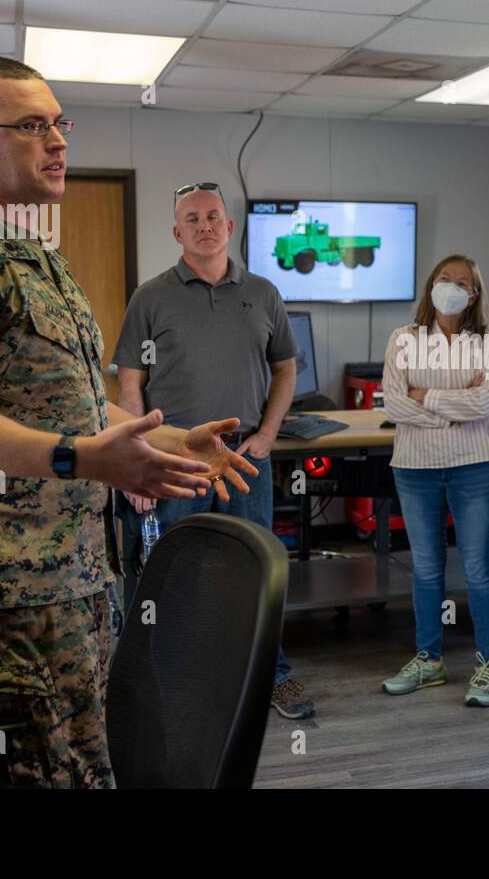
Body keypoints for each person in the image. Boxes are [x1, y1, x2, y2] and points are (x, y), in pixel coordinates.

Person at [0, 56, 254, 788]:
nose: (57, 141)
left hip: (73, 583)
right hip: (4, 598)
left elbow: (71, 402)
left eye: (58, 123)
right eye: (29, 125)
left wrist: (170, 439)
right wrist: (84, 459)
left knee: (89, 769)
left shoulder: (38, 261)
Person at [113, 181, 313, 721]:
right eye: (192, 219)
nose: (204, 226)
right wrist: (136, 460)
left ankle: (272, 676)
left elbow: (285, 368)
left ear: (229, 227)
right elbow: (129, 385)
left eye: (212, 217)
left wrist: (268, 434)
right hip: (176, 460)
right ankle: (173, 686)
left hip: (244, 459)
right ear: (177, 233)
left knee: (255, 572)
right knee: (173, 576)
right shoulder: (150, 298)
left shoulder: (264, 294)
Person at [379, 255, 489, 707]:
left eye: (462, 282)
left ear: (473, 295)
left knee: (478, 569)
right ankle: (429, 661)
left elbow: (485, 403)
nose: (451, 286)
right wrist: (451, 410)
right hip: (415, 467)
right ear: (431, 285)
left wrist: (425, 396)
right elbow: (394, 405)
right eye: (444, 278)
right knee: (426, 568)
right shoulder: (404, 338)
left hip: (477, 466)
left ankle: (488, 667)